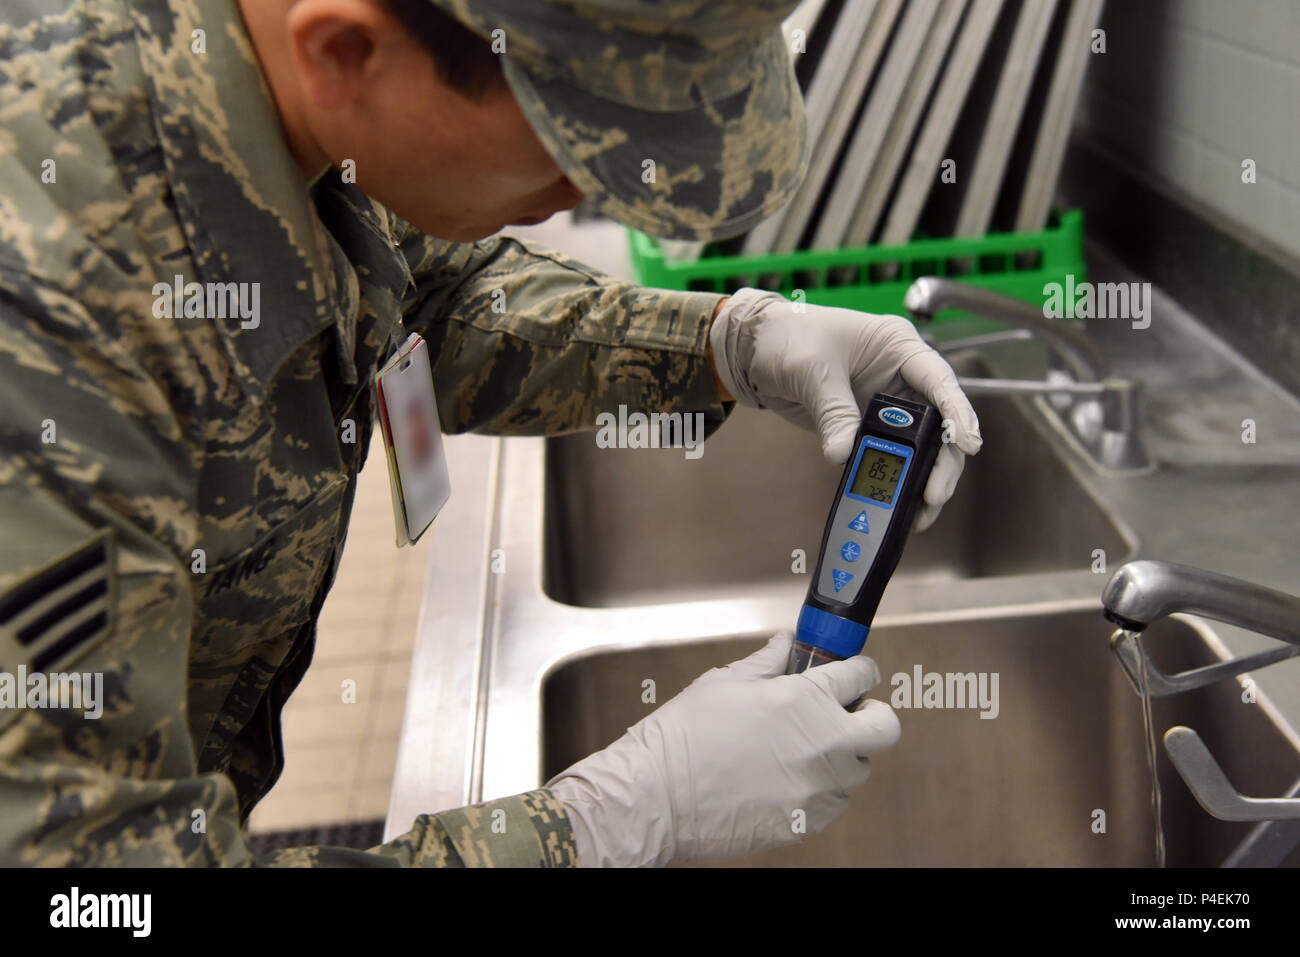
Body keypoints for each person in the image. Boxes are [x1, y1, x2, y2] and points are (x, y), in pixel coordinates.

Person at [0, 0, 981, 866]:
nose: (590, 199)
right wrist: (605, 824)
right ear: (346, 54)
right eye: (572, 148)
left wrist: (727, 346)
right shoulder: (47, 311)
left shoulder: (278, 86)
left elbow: (420, 294)